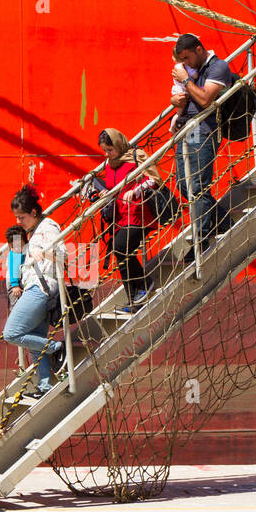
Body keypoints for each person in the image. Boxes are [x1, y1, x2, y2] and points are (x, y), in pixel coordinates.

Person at [170, 33, 233, 254]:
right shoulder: (190, 70)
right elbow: (183, 95)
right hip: (186, 130)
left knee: (198, 185)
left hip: (205, 131)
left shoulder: (219, 67)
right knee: (183, 184)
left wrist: (186, 80)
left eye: (187, 58)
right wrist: (175, 100)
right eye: (182, 60)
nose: (184, 63)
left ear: (199, 49)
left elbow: (206, 100)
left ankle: (201, 240)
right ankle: (223, 221)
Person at [2, 185, 65, 399]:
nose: (18, 222)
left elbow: (64, 256)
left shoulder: (48, 227)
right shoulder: (35, 230)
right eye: (16, 218)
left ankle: (57, 347)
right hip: (36, 287)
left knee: (11, 333)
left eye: (21, 217)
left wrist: (43, 252)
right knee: (34, 338)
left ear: (34, 213)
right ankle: (45, 385)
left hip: (41, 288)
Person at [92, 127, 162, 311]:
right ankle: (133, 299)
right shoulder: (108, 164)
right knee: (119, 252)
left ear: (118, 144)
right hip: (120, 215)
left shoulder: (136, 156)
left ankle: (145, 283)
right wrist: (105, 193)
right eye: (104, 150)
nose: (107, 154)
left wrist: (135, 190)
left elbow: (153, 179)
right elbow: (113, 187)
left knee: (120, 247)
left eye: (110, 149)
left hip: (138, 213)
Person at [4, 225, 27, 309]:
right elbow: (13, 269)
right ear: (11, 247)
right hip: (14, 281)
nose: (17, 248)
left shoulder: (24, 249)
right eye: (14, 246)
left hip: (19, 279)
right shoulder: (15, 254)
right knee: (16, 306)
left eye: (20, 245)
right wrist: (15, 285)